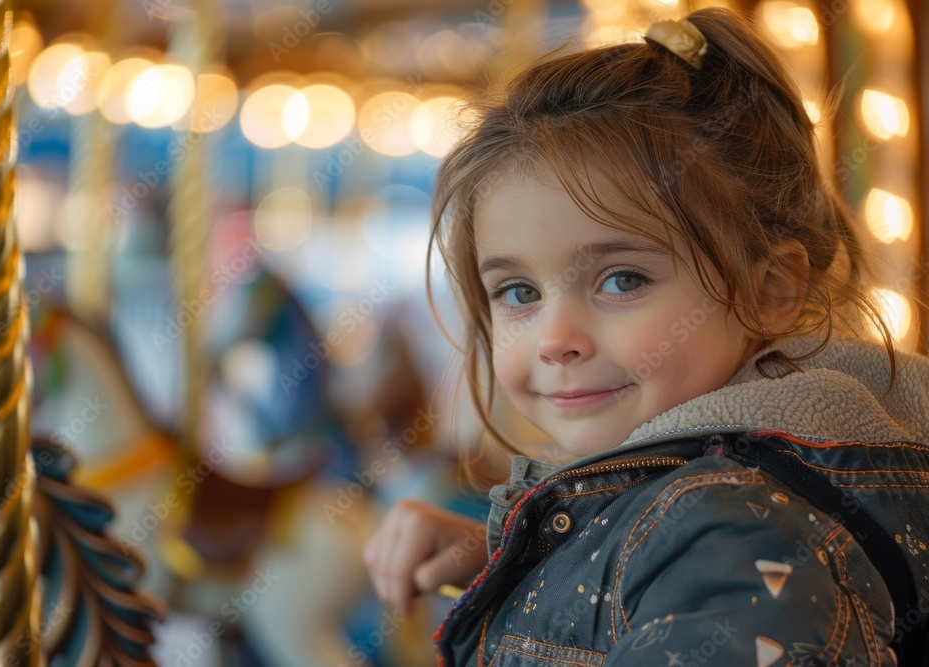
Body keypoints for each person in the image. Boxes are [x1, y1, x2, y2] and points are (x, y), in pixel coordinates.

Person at [363, 7, 929, 666]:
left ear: (770, 290)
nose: (556, 338)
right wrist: (509, 561)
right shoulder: (737, 510)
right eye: (519, 292)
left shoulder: (737, 528)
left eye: (621, 279)